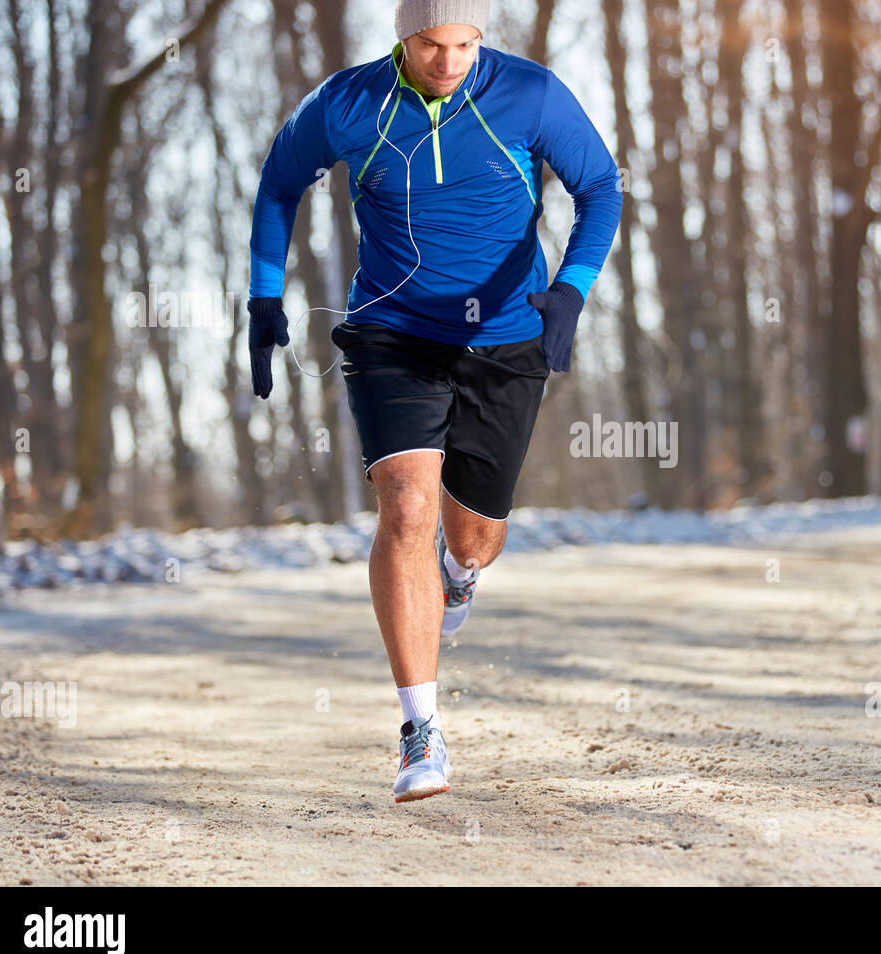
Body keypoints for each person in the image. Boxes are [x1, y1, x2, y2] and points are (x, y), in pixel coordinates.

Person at [245, 0, 622, 801]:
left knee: (474, 535)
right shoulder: (347, 104)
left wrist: (571, 291)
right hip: (394, 330)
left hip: (508, 335)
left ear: (480, 36)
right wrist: (264, 296)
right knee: (407, 509)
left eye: (463, 43)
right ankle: (421, 731)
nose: (448, 62)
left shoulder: (533, 95)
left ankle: (459, 573)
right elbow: (279, 184)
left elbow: (600, 187)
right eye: (429, 44)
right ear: (401, 36)